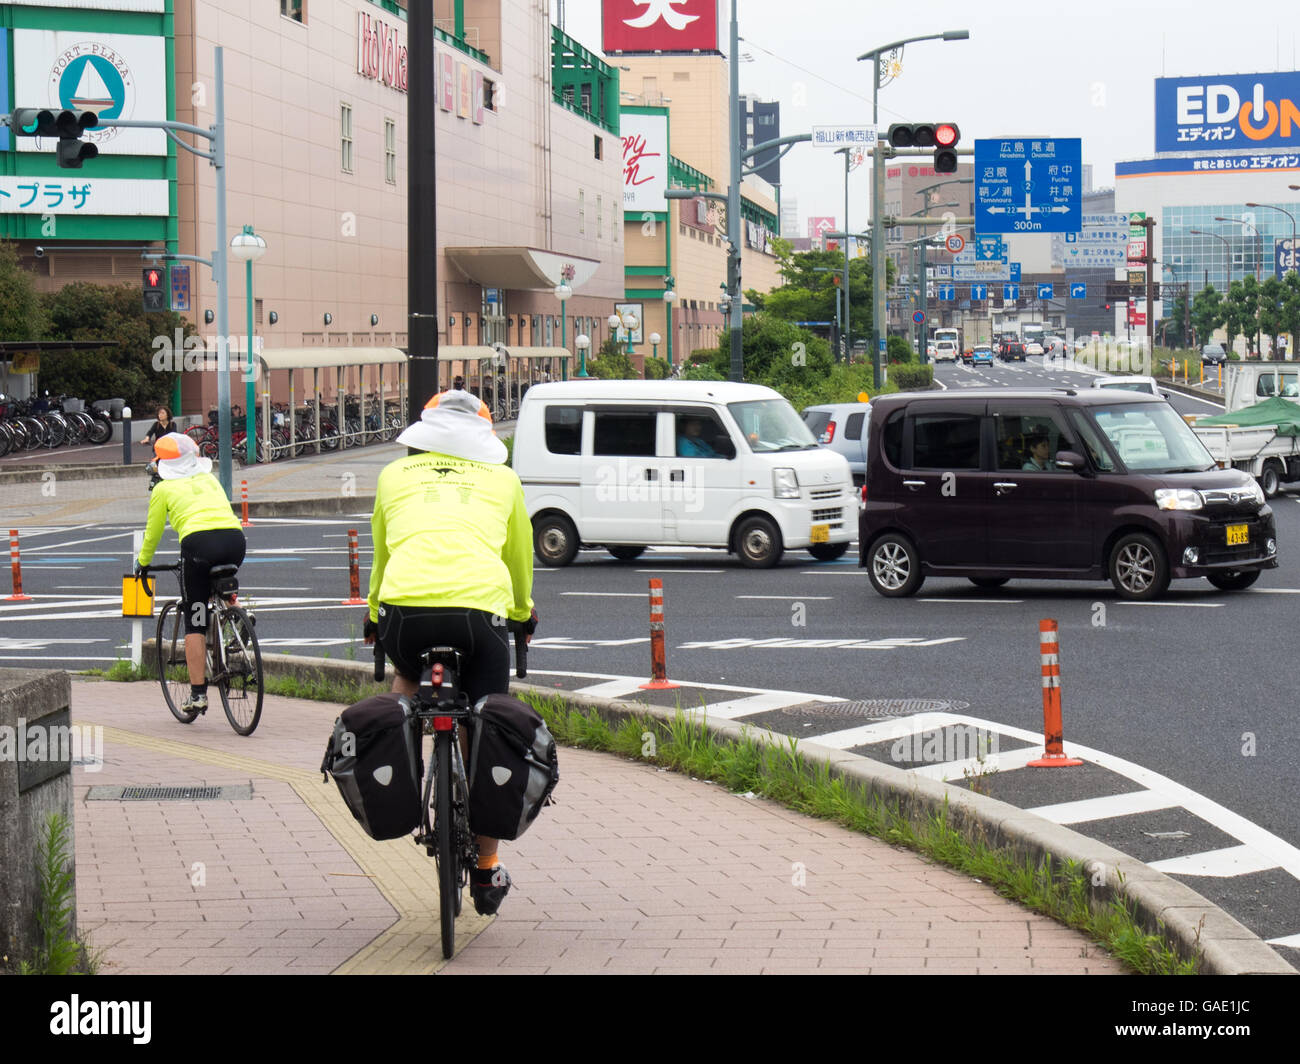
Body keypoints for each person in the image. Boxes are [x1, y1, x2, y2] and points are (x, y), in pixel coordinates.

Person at [363, 389, 536, 917]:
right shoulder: (504, 480)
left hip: (404, 614)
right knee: (485, 722)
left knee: (409, 685)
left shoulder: (394, 475)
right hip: (479, 616)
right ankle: (485, 870)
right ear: (483, 437)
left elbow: (383, 550)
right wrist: (524, 612)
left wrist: (374, 614)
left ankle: (403, 769)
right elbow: (517, 558)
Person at [134, 433, 246, 715]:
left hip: (198, 547)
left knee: (195, 616)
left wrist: (143, 564)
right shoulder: (209, 479)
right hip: (235, 541)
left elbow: (153, 533)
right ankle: (237, 611)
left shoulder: (162, 490)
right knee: (220, 582)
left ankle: (197, 694)